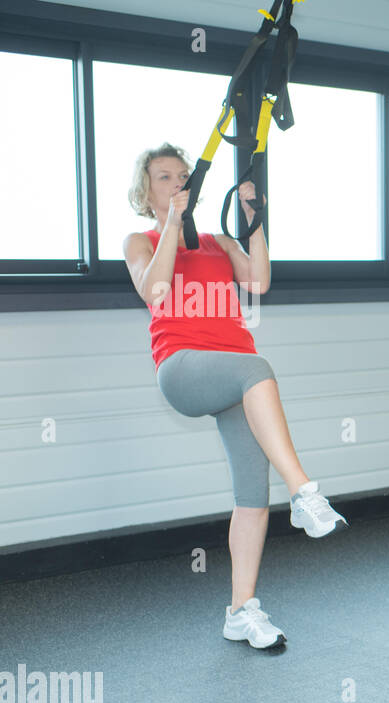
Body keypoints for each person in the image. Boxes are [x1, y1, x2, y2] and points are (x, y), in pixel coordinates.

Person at [122, 143, 346, 650]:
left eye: (183, 176)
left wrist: (253, 220)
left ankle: (241, 611)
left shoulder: (220, 243)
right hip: (182, 368)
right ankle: (305, 493)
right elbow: (154, 291)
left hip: (235, 375)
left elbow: (260, 279)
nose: (177, 183)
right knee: (258, 369)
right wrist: (175, 225)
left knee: (251, 492)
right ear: (146, 190)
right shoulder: (141, 240)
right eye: (164, 178)